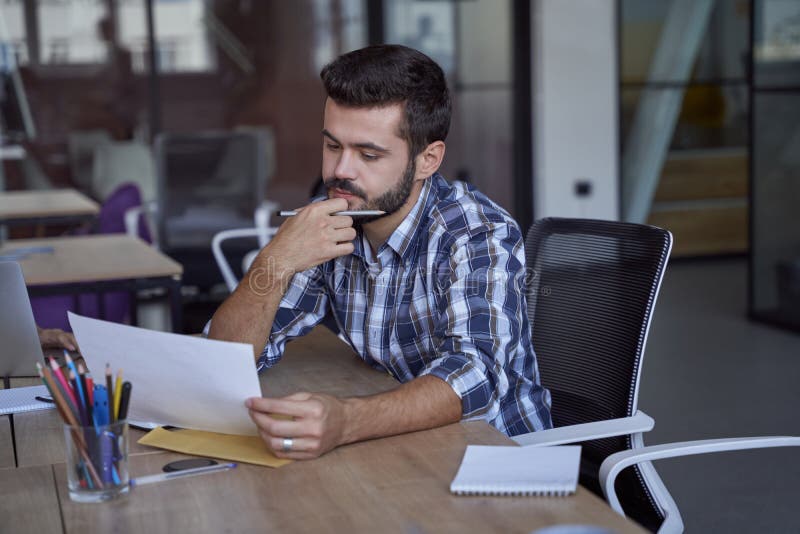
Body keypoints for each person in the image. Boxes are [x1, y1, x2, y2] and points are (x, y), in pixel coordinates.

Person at [208, 45, 552, 460]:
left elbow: (474, 378)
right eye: (333, 146)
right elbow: (228, 360)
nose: (340, 171)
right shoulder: (332, 216)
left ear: (428, 160)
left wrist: (346, 421)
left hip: (497, 455)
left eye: (368, 154)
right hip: (400, 444)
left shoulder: (477, 233)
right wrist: (274, 261)